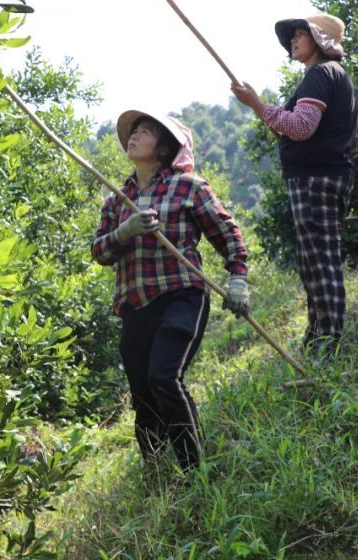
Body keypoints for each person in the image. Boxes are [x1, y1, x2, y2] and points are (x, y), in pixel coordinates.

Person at [91, 110, 249, 473]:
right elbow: (99, 252)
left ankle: (195, 470)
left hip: (181, 295)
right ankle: (157, 473)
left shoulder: (189, 186)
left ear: (163, 148)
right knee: (144, 396)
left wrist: (237, 279)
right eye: (133, 132)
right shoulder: (117, 199)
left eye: (144, 132)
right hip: (134, 305)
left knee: (163, 377)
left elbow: (228, 235)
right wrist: (125, 231)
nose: (133, 137)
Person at [230, 12, 358, 357]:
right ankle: (318, 340)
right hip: (328, 175)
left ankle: (327, 343)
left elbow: (301, 128)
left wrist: (256, 104)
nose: (293, 40)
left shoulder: (320, 75)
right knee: (315, 260)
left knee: (320, 261)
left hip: (316, 178)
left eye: (301, 34)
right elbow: (304, 127)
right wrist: (263, 110)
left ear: (319, 41)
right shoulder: (336, 78)